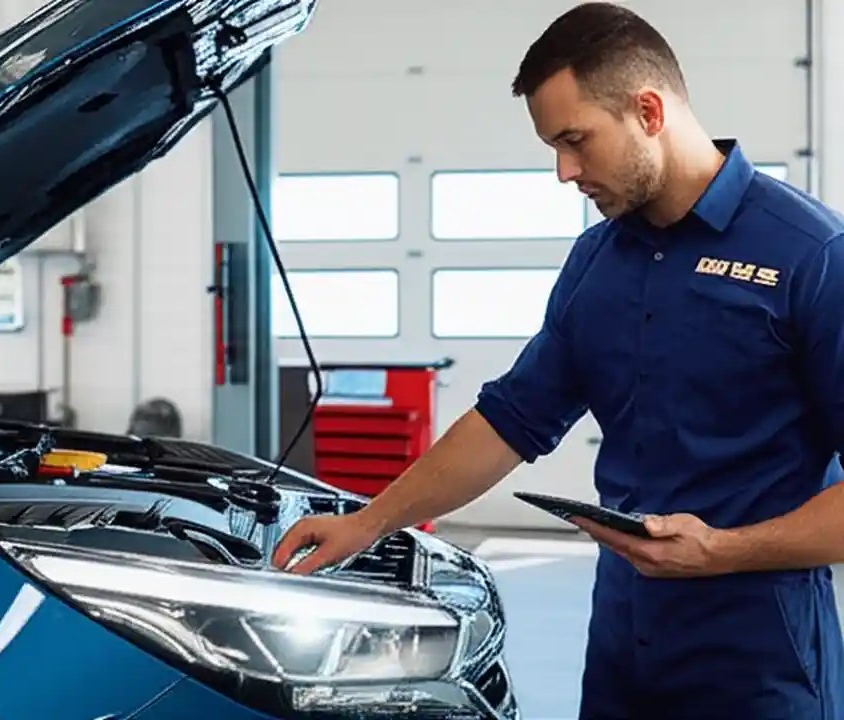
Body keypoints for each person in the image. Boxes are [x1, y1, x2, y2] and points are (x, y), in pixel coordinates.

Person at [272, 3, 844, 717]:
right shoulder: (595, 262)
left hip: (761, 662)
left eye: (576, 141)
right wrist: (368, 522)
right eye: (553, 147)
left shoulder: (812, 256)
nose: (564, 172)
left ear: (648, 112)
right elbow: (510, 420)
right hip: (621, 652)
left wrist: (720, 550)